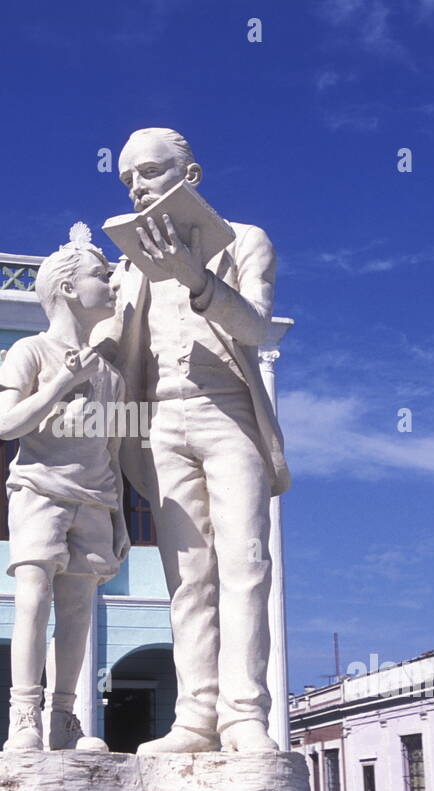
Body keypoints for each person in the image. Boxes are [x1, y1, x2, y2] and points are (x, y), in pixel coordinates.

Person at [109, 128, 291, 753]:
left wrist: (194, 277)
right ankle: (195, 717)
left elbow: (257, 328)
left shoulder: (244, 241)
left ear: (190, 178)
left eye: (151, 172)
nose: (137, 185)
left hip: (228, 412)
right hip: (160, 423)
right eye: (128, 177)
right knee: (188, 576)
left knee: (245, 562)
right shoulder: (130, 267)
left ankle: (244, 715)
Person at [0, 224, 130, 752]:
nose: (112, 284)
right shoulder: (31, 351)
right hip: (39, 492)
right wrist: (57, 386)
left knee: (77, 609)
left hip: (93, 498)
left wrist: (118, 518)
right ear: (69, 288)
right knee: (33, 596)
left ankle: (63, 718)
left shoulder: (111, 375)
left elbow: (111, 452)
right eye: (103, 275)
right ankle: (23, 716)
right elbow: (7, 425)